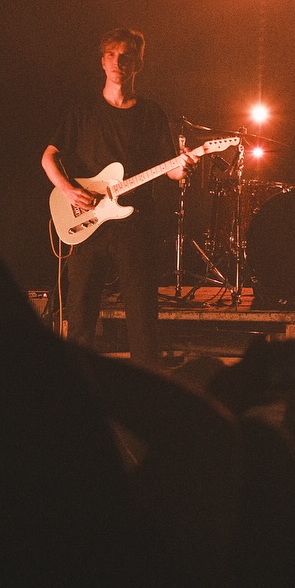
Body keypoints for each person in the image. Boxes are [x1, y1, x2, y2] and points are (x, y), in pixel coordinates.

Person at [41, 28, 192, 370]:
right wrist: (68, 190)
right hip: (86, 220)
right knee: (81, 313)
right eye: (111, 54)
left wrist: (183, 165)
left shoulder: (151, 113)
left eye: (126, 56)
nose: (118, 62)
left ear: (139, 63)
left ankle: (146, 393)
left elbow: (168, 169)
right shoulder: (84, 110)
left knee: (142, 315)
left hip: (134, 224)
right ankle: (80, 389)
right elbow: (48, 156)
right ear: (102, 61)